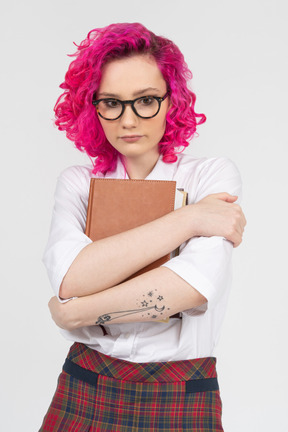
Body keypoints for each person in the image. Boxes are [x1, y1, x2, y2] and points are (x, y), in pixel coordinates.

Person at [39, 22, 246, 432]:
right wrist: (189, 218)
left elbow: (191, 287)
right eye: (111, 102)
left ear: (172, 101)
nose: (128, 119)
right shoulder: (78, 183)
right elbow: (71, 276)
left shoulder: (212, 176)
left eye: (146, 100)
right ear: (92, 106)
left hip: (183, 386)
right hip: (87, 380)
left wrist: (79, 312)